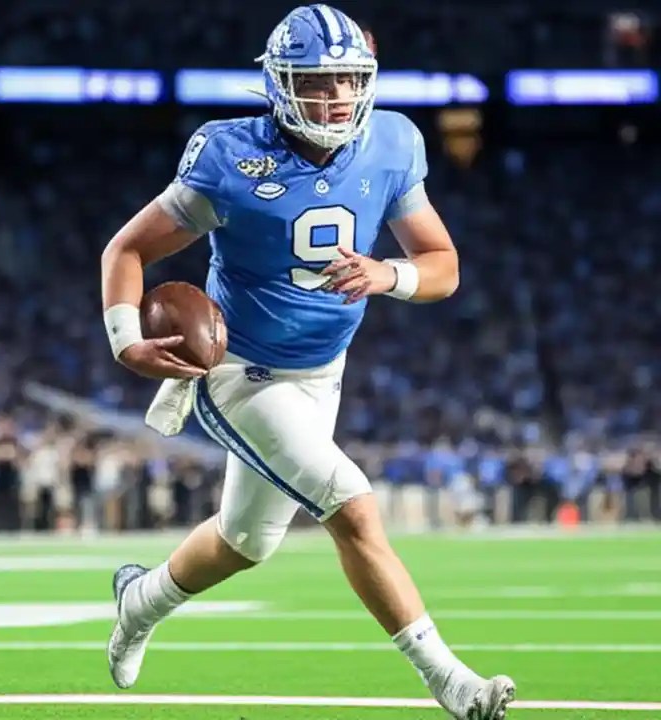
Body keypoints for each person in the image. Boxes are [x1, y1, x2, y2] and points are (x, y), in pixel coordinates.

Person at [98, 5, 514, 719]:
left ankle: (140, 600)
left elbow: (442, 264)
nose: (338, 98)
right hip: (241, 371)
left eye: (350, 80)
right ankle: (451, 681)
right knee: (351, 506)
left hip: (324, 369)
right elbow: (127, 249)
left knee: (244, 543)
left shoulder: (391, 142)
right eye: (319, 82)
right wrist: (125, 339)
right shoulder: (229, 157)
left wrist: (390, 275)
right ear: (282, 85)